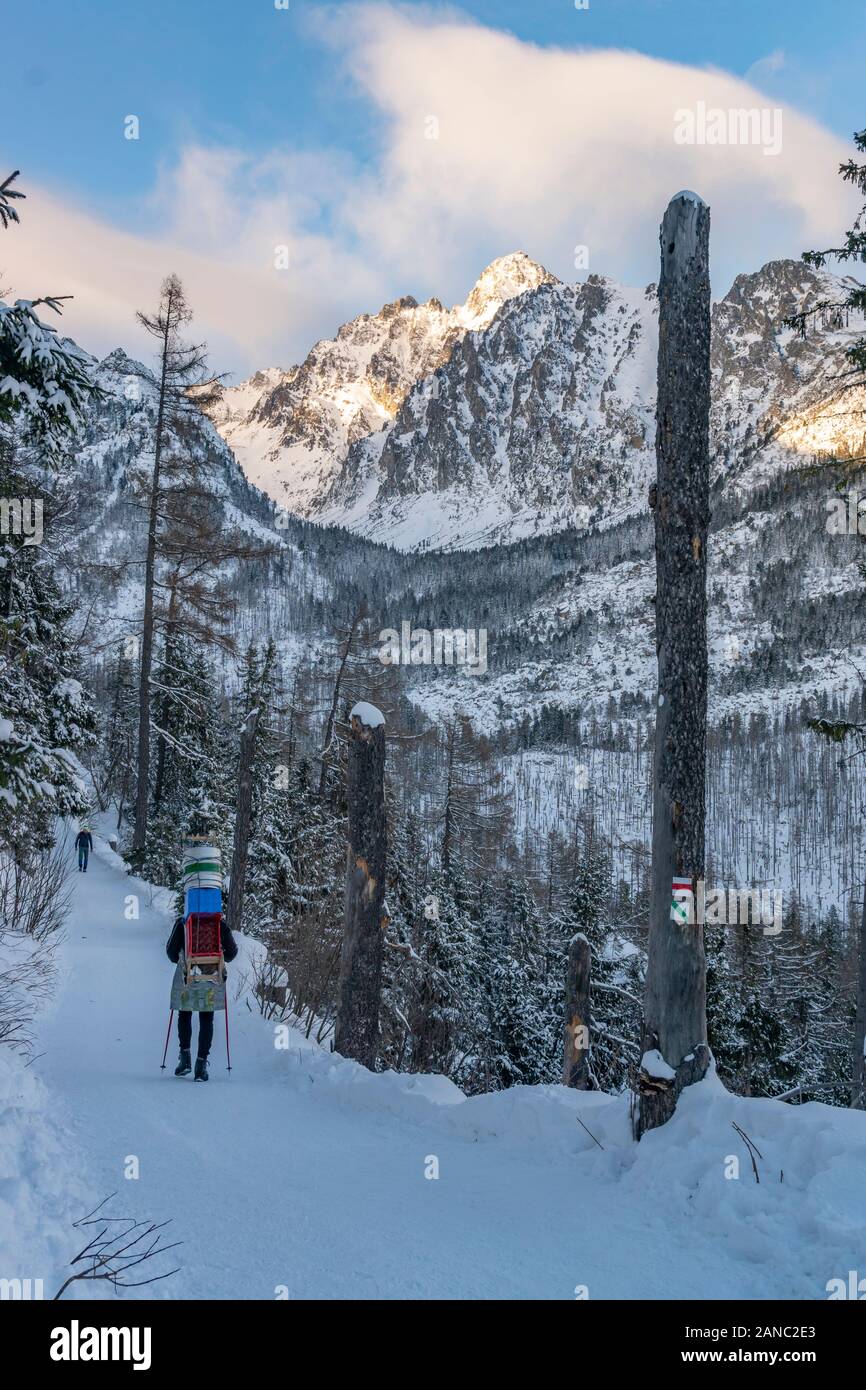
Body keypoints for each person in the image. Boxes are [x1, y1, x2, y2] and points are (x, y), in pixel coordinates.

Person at [166, 914, 237, 1081]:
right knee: (207, 1018)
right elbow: (231, 954)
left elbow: (170, 954)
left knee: (184, 1013)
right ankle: (201, 1066)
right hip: (211, 976)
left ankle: (185, 1060)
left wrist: (183, 957)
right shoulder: (220, 924)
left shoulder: (183, 923)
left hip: (187, 974)